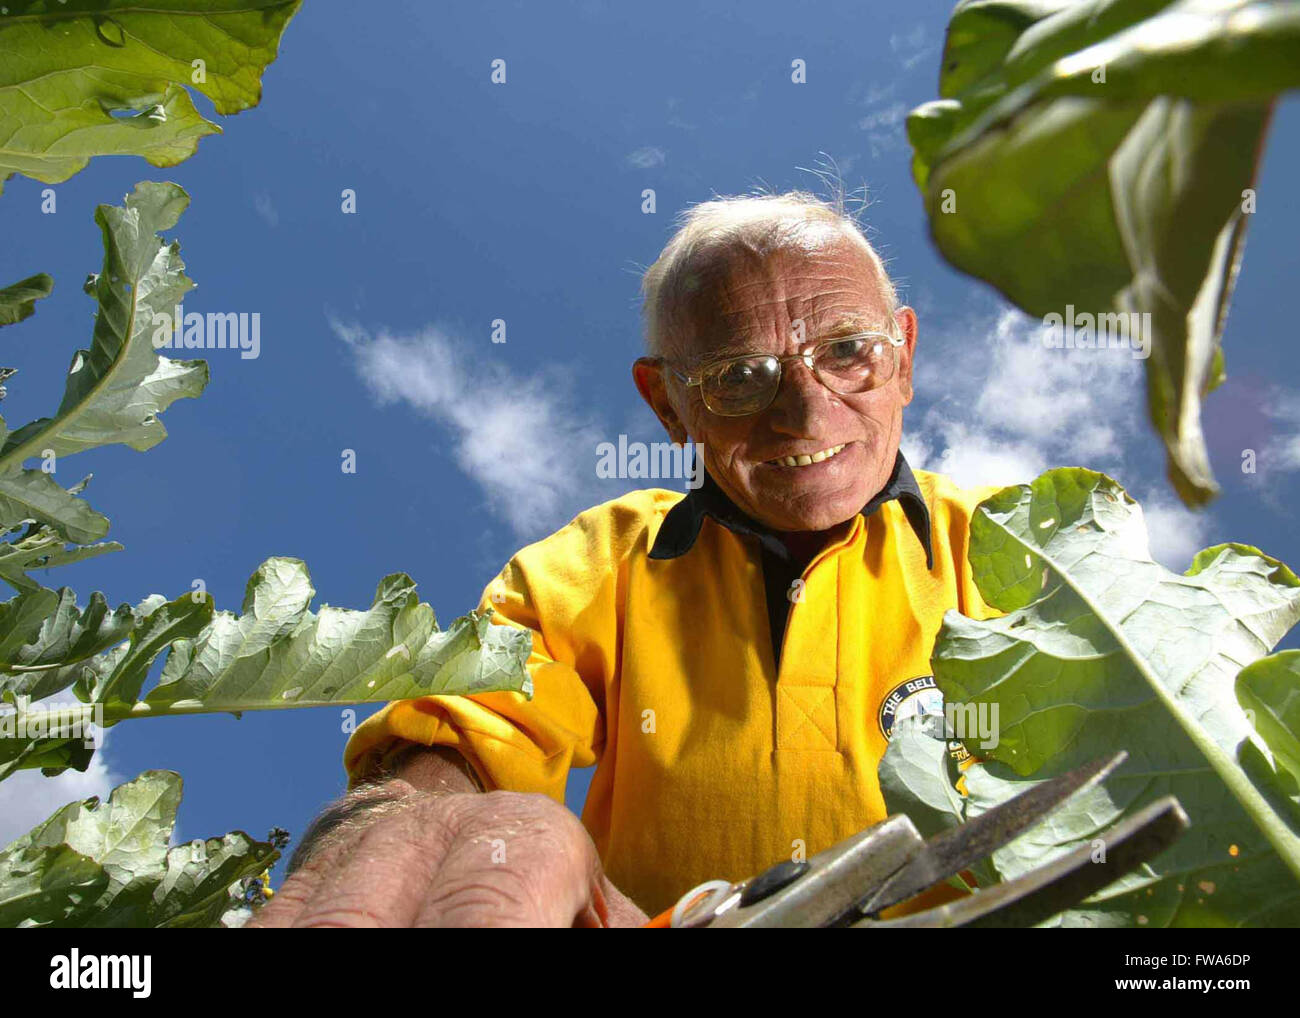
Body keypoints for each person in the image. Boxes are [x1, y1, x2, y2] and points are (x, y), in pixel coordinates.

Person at [249, 191, 1005, 928]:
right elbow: (475, 716)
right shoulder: (599, 561)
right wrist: (411, 824)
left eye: (846, 351)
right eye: (739, 375)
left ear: (902, 356)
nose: (806, 411)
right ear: (669, 405)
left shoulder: (1013, 548)